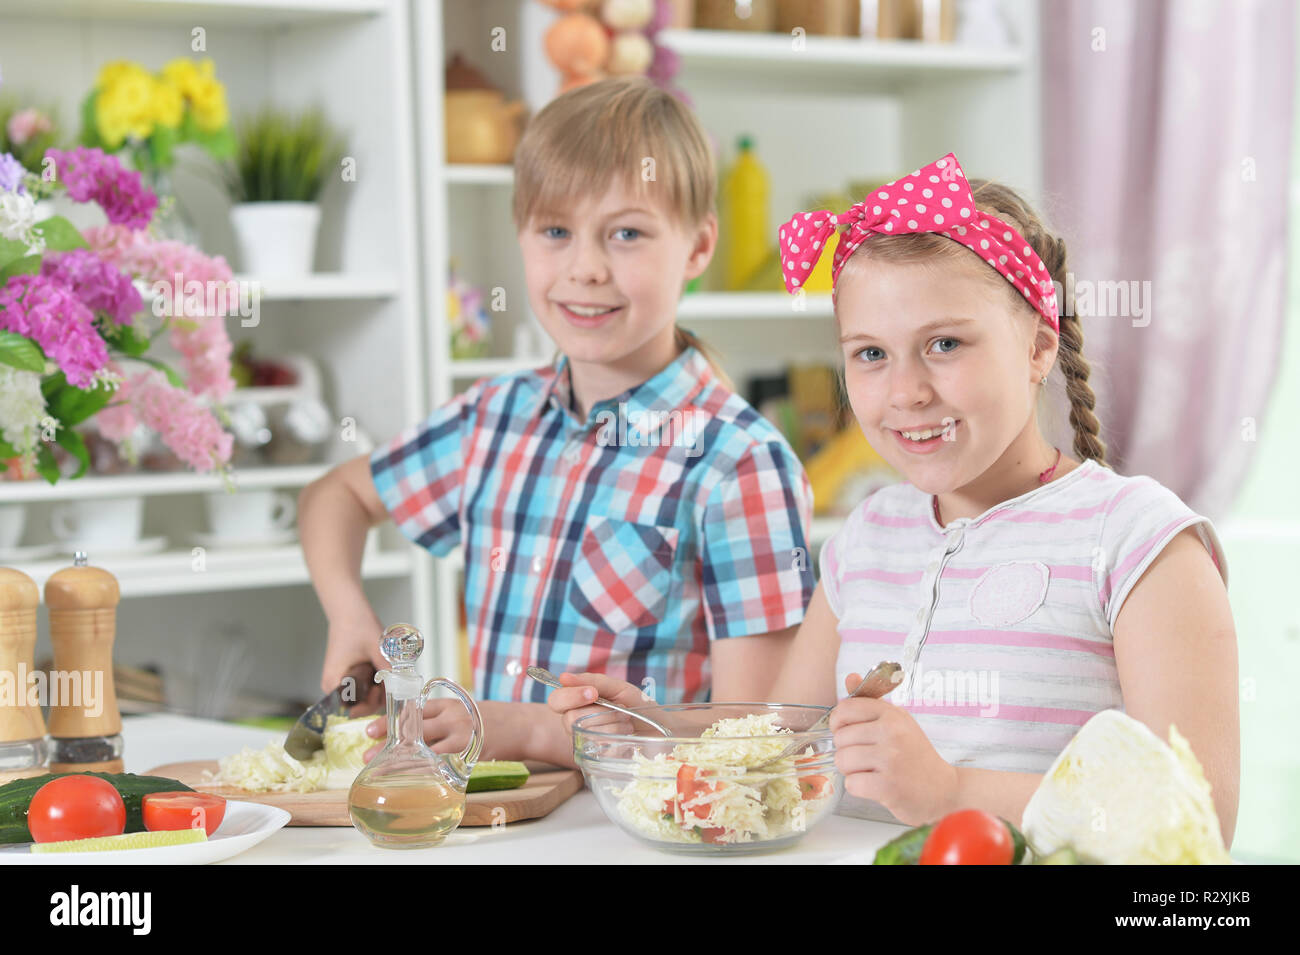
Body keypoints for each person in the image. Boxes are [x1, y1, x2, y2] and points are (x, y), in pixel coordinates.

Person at [546, 153, 1239, 842]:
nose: (906, 392)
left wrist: (952, 791)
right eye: (871, 354)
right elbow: (785, 734)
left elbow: (1198, 815)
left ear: (1037, 346)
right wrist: (651, 725)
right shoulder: (865, 538)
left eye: (944, 343)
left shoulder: (1138, 541)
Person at [298, 77, 815, 762]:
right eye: (555, 231)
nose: (586, 268)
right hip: (495, 823)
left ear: (697, 247)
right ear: (521, 236)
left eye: (627, 233)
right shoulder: (492, 420)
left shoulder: (738, 460)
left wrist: (540, 729)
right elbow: (335, 495)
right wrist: (348, 616)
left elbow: (758, 731)